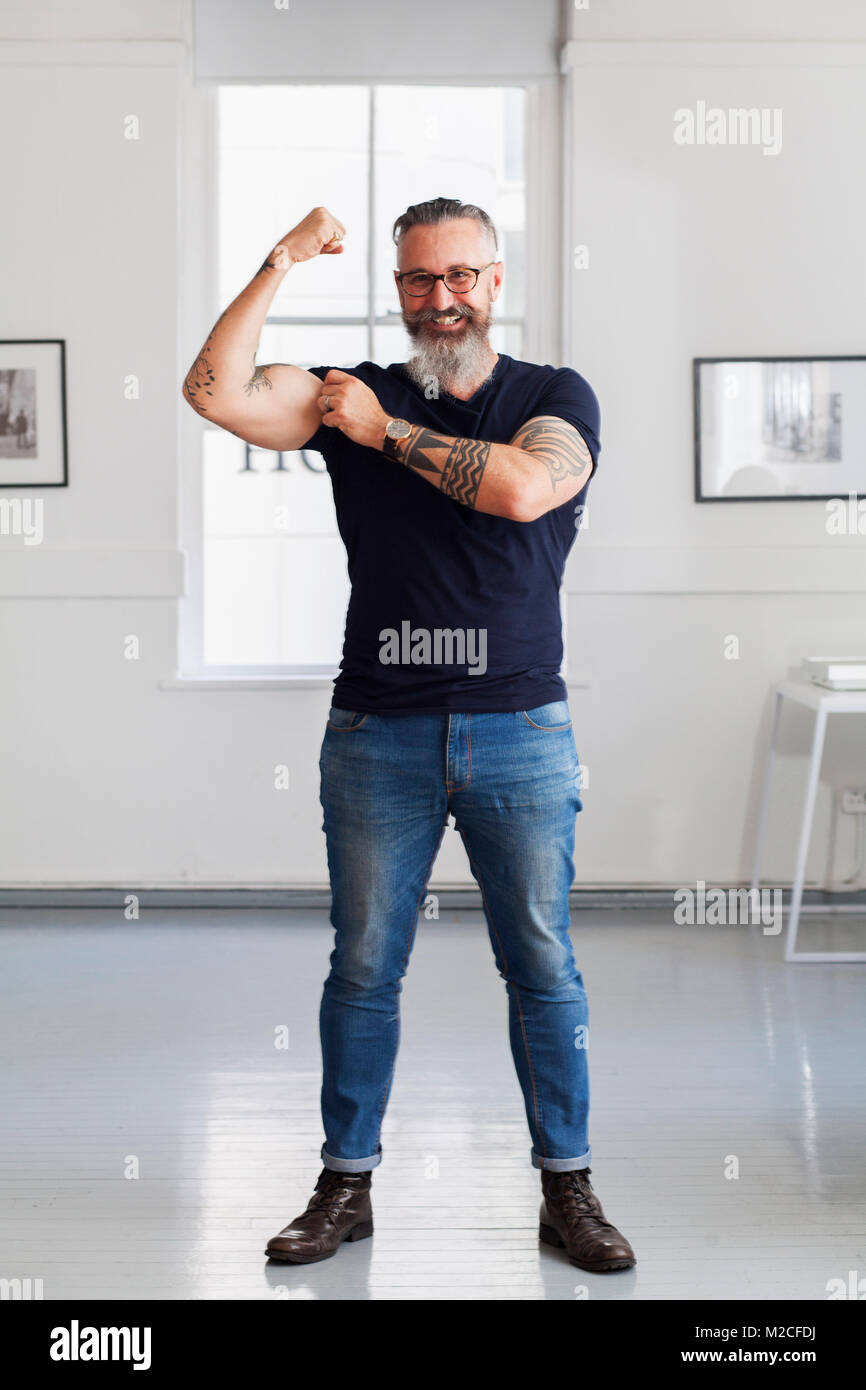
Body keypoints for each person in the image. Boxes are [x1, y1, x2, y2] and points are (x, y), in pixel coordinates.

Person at [182, 198, 636, 1274]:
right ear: (399, 292)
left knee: (541, 968)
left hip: (518, 728)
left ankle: (566, 1187)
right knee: (363, 968)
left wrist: (382, 432)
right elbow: (213, 391)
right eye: (418, 281)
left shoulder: (549, 397)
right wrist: (281, 260)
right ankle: (346, 1184)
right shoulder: (352, 388)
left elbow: (525, 490)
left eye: (460, 276)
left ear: (493, 280)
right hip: (374, 730)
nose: (441, 299)